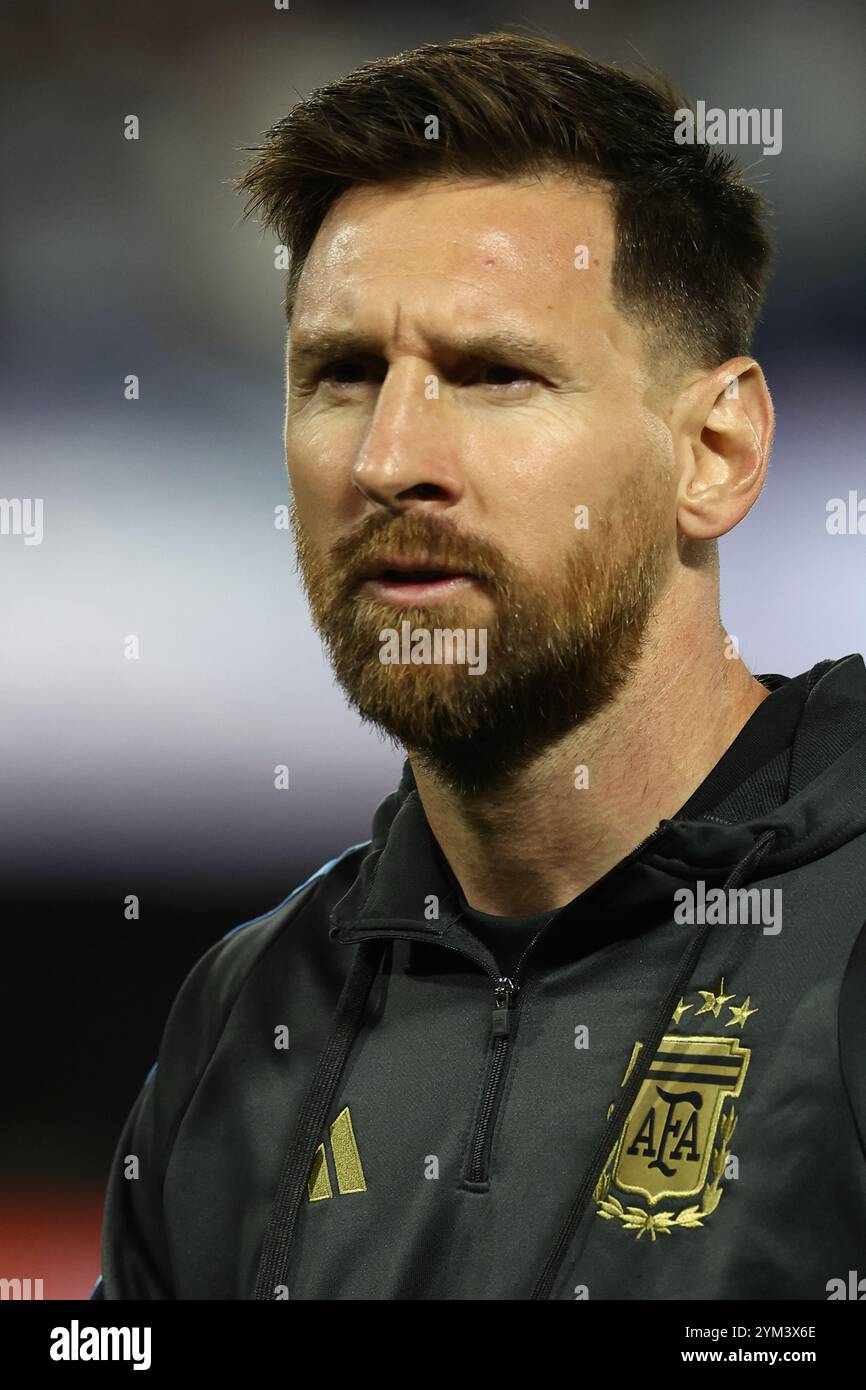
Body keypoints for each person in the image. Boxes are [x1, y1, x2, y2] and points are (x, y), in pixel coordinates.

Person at [91, 31, 866, 1301]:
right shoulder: (244, 1017)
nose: (388, 459)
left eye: (493, 374)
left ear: (713, 451)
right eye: (342, 374)